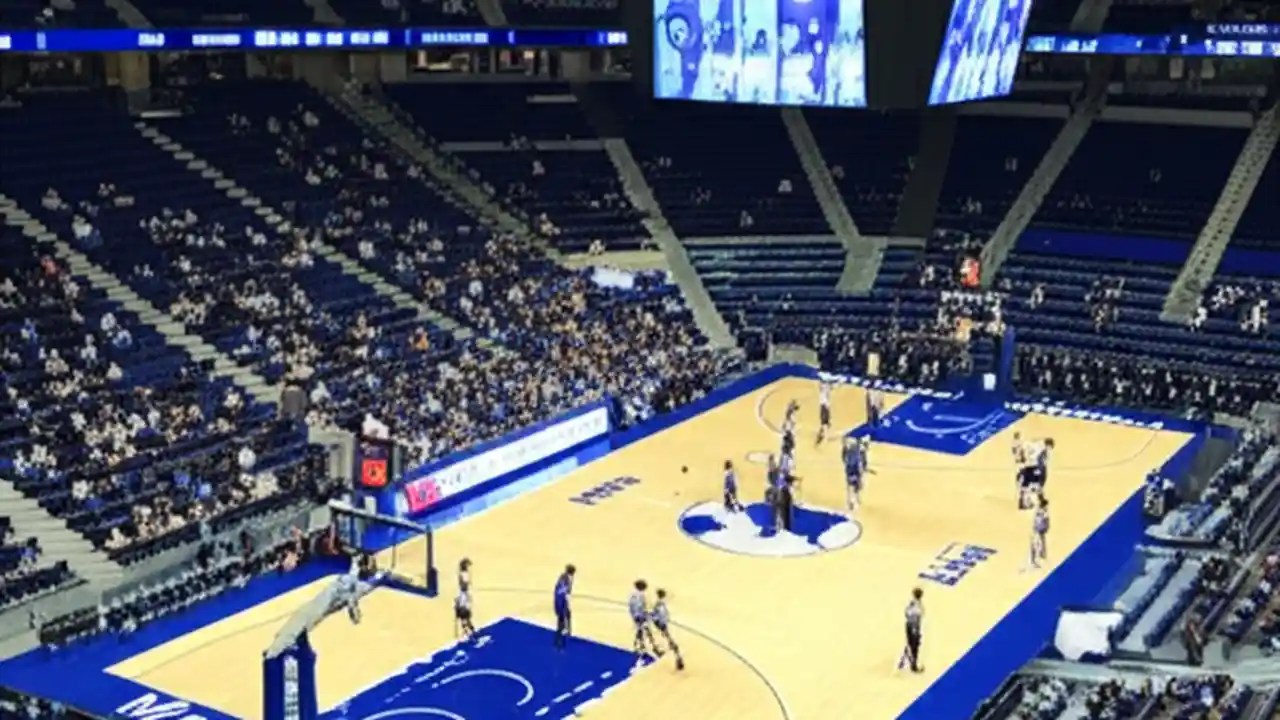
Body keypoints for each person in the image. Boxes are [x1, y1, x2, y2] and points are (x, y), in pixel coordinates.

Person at [628, 579, 661, 664]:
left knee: (642, 631)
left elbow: (632, 607)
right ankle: (653, 648)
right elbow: (638, 607)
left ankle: (640, 646)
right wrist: (643, 616)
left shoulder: (635, 595)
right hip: (640, 617)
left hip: (638, 616)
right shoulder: (639, 596)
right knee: (646, 631)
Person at [652, 588, 685, 670]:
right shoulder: (660, 605)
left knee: (670, 642)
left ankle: (677, 658)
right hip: (662, 625)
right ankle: (678, 659)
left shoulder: (659, 604)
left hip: (661, 625)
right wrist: (662, 623)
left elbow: (655, 616)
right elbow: (659, 616)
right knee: (671, 642)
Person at [899, 587, 924, 673]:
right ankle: (913, 665)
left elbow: (906, 613)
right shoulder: (918, 607)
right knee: (914, 647)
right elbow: (916, 618)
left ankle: (905, 662)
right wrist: (915, 630)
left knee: (910, 644)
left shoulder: (912, 603)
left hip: (908, 625)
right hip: (913, 627)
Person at [554, 564, 576, 649]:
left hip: (560, 599)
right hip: (560, 601)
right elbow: (565, 590)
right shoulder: (566, 579)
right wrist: (566, 595)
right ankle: (559, 641)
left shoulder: (563, 577)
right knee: (561, 620)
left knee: (567, 615)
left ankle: (566, 632)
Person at [455, 558, 476, 641]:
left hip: (464, 594)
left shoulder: (463, 573)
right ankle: (468, 631)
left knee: (465, 615)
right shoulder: (464, 574)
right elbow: (464, 584)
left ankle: (469, 631)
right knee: (465, 615)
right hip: (464, 594)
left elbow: (464, 584)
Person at [844, 438, 864, 514]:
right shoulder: (857, 453)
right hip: (854, 469)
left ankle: (851, 501)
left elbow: (845, 459)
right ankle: (854, 500)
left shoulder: (848, 451)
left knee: (850, 486)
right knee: (856, 485)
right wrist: (861, 472)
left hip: (849, 469)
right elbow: (859, 464)